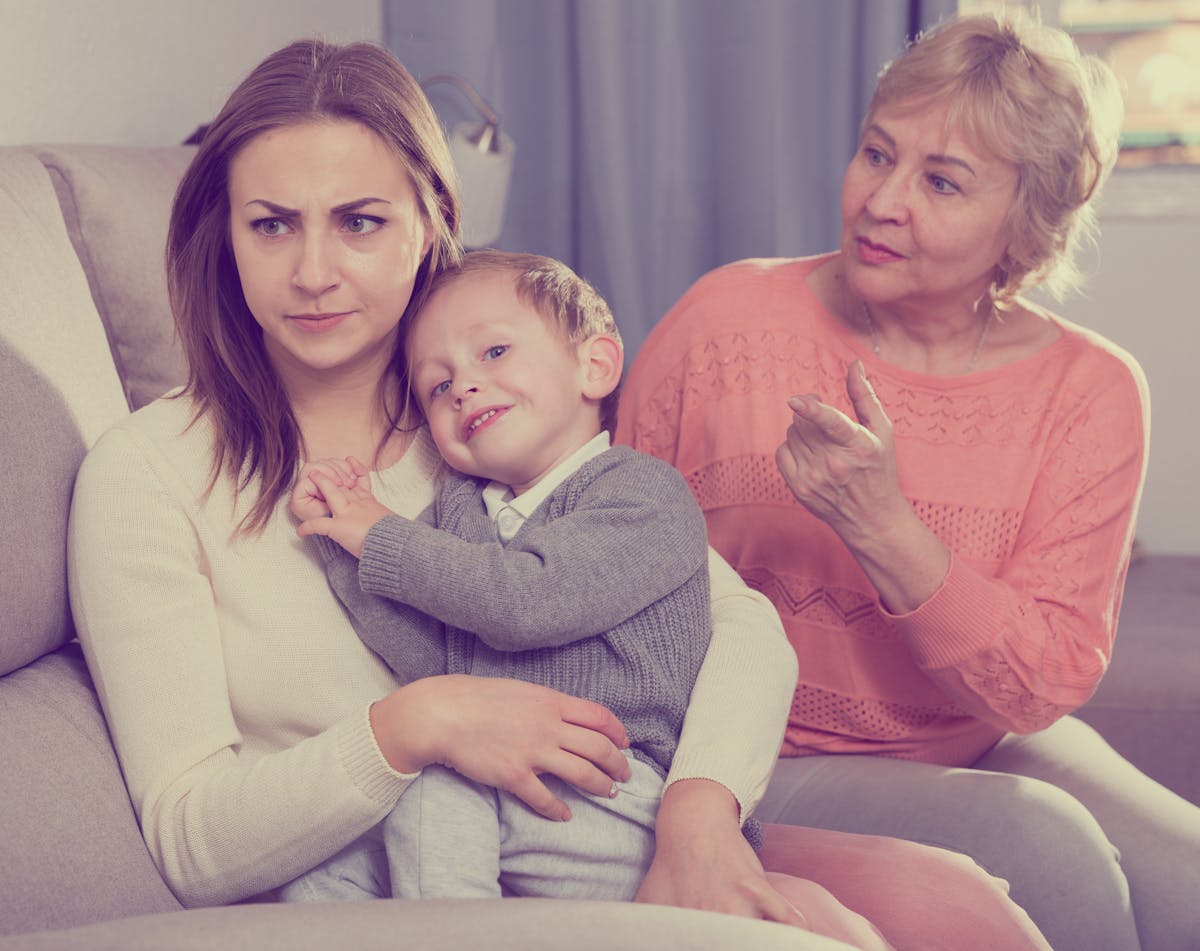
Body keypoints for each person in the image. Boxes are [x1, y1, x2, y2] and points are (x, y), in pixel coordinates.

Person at [64, 36, 1052, 951]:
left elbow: (737, 627)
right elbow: (191, 842)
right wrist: (419, 723)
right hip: (396, 882)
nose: (314, 272)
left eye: (360, 222)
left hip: (618, 819)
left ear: (431, 225)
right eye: (272, 225)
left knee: (958, 911)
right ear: (223, 236)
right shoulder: (146, 477)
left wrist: (698, 822)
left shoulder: (486, 417)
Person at [618, 9, 1200, 951]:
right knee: (1049, 848)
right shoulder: (721, 321)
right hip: (757, 754)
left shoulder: (1090, 390)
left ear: (1025, 226)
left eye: (941, 182)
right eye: (877, 154)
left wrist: (885, 527)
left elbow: (1037, 684)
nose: (883, 201)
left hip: (981, 735)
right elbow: (608, 572)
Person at [279, 251, 893, 951]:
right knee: (322, 868)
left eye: (495, 350)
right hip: (510, 791)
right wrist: (340, 539)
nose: (464, 387)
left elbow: (528, 601)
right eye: (437, 385)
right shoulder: (459, 519)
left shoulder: (642, 494)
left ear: (595, 367)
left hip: (622, 797)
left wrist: (379, 533)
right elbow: (432, 659)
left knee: (432, 793)